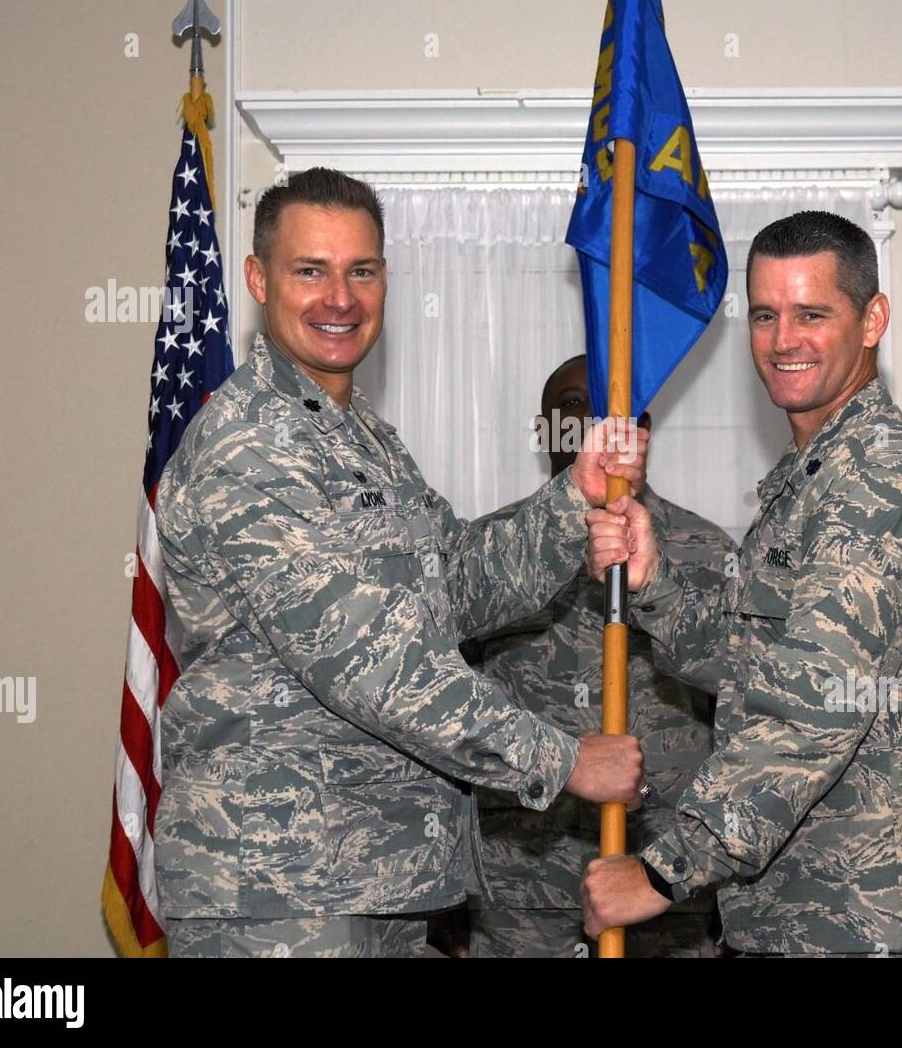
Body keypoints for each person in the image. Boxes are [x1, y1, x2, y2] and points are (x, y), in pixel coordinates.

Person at [154, 168, 646, 958]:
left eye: (362, 270)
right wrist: (558, 759)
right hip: (278, 892)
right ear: (257, 279)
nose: (339, 298)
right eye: (309, 270)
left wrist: (571, 503)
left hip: (378, 880)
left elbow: (453, 585)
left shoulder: (364, 440)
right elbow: (368, 660)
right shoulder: (250, 449)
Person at [581, 211, 902, 957]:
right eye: (766, 315)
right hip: (795, 917)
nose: (783, 340)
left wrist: (664, 873)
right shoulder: (812, 482)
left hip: (871, 925)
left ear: (873, 321)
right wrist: (655, 581)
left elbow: (809, 707)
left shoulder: (878, 483)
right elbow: (750, 667)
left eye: (812, 314)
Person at [458, 356, 735, 958]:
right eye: (572, 407)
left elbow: (748, 717)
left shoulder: (707, 551)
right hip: (520, 882)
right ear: (544, 427)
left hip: (663, 879)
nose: (589, 423)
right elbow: (444, 713)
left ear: (643, 427)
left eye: (608, 409)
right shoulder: (491, 554)